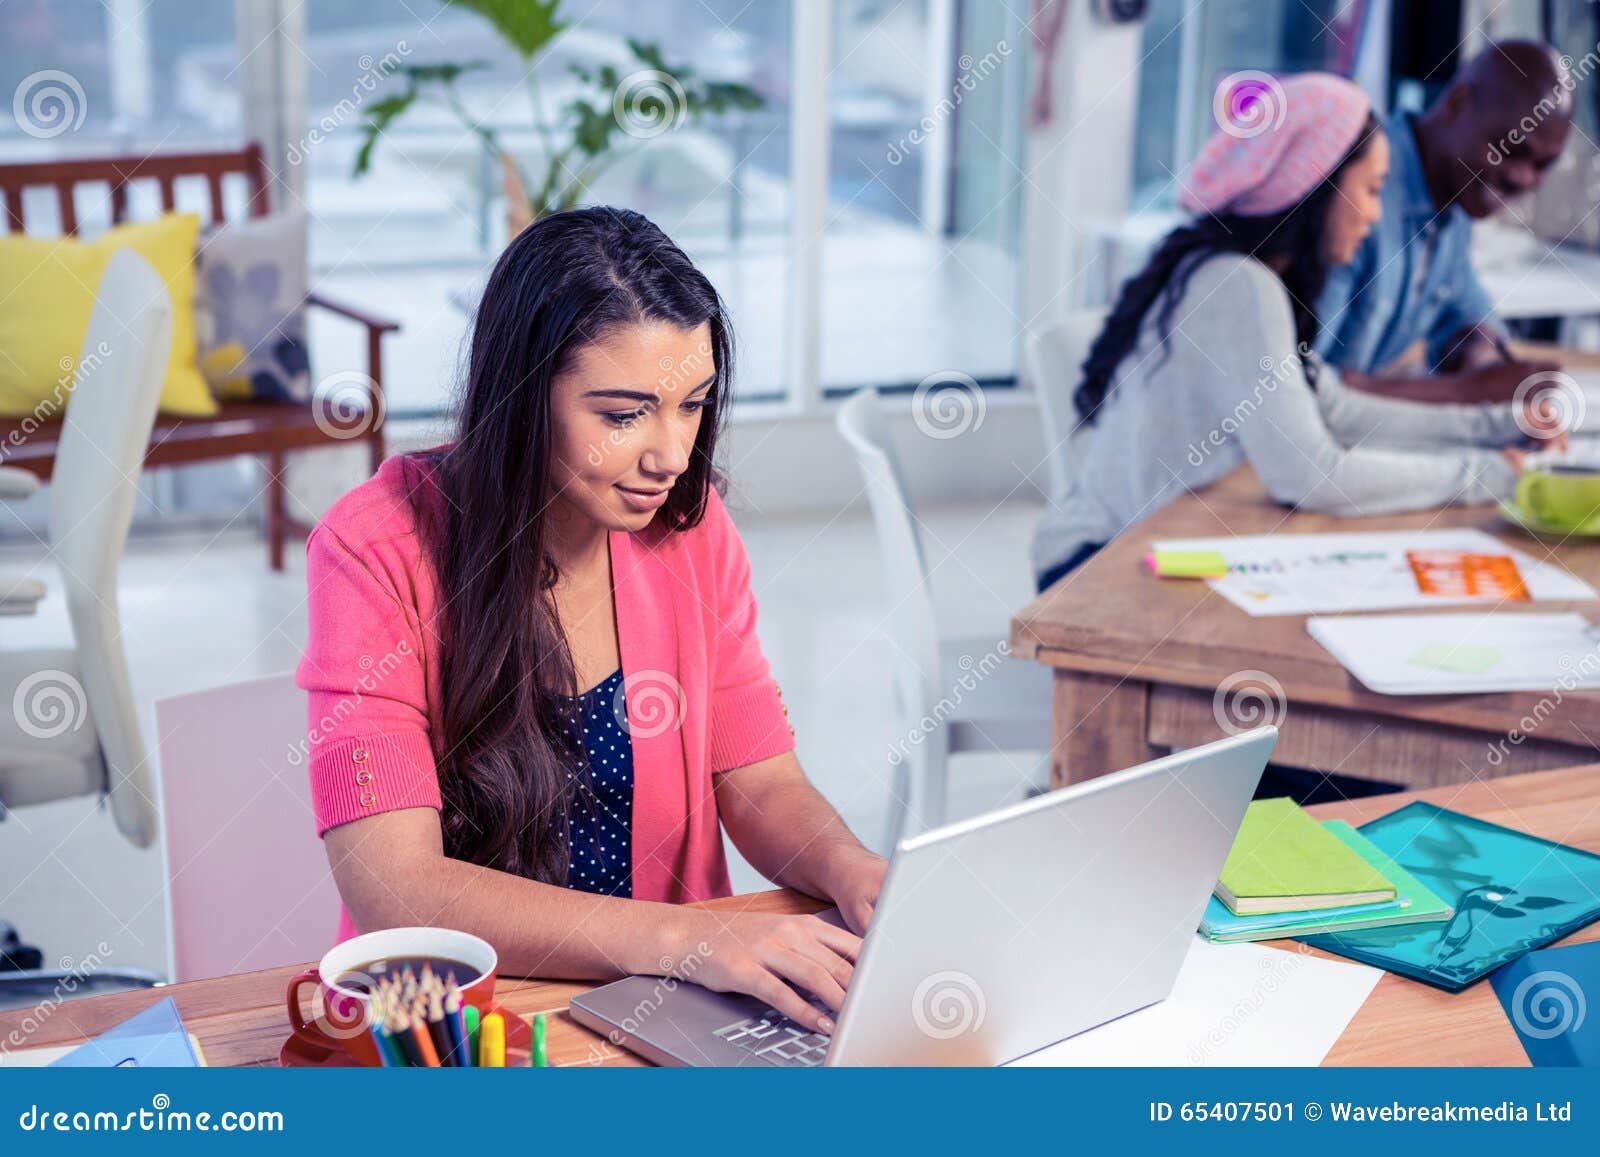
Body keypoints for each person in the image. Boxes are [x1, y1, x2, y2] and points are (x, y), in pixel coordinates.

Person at [295, 207, 886, 1036]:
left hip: (667, 1010)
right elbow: (396, 890)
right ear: (522, 398)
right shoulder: (372, 549)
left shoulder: (691, 531)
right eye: (622, 415)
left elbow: (761, 782)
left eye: (692, 405)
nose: (671, 455)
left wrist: (852, 868)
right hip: (456, 1029)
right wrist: (684, 939)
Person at [1032, 73, 1558, 593]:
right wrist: (1494, 475)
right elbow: (1311, 475)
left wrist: (1502, 428)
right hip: (1095, 570)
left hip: (1161, 552)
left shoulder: (1251, 280)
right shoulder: (1236, 286)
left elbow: (1341, 411)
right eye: (1371, 189)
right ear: (1317, 187)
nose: (1375, 215)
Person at [1316, 40, 1574, 401]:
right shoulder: (1358, 190)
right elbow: (1300, 386)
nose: (1523, 177)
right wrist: (1466, 391)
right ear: (1457, 103)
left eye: (1543, 166)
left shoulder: (1454, 204)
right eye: (1512, 149)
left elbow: (1465, 314)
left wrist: (1479, 356)